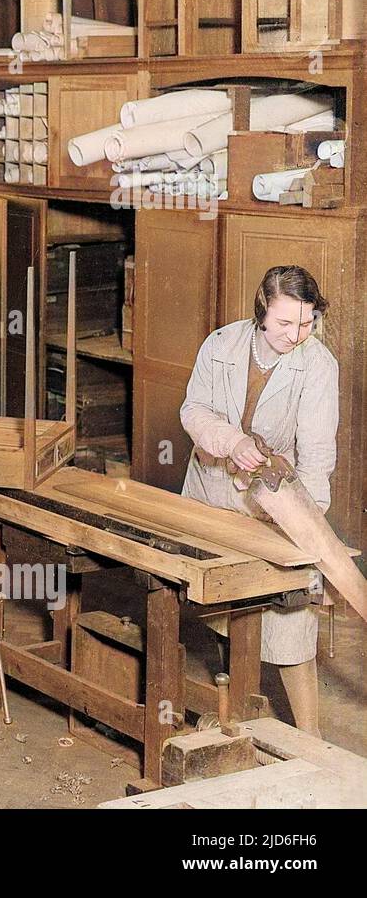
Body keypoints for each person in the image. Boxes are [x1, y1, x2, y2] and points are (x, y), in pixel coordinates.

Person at [180, 265, 338, 736]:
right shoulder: (222, 343)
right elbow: (193, 409)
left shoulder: (318, 364)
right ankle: (239, 712)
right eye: (286, 323)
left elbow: (316, 453)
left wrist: (308, 523)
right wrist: (231, 441)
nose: (297, 334)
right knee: (227, 609)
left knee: (289, 624)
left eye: (307, 321)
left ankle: (311, 740)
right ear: (261, 311)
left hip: (274, 503)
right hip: (211, 488)